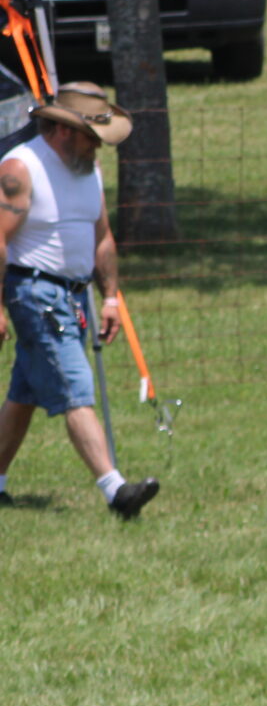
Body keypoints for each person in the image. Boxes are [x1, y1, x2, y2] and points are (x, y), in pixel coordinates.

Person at [0, 83, 155, 516]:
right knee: (75, 386)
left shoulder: (89, 171)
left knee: (25, 392)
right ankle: (116, 489)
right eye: (93, 137)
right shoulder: (21, 169)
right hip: (34, 291)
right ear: (65, 131)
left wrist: (110, 299)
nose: (98, 148)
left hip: (75, 296)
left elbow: (101, 237)